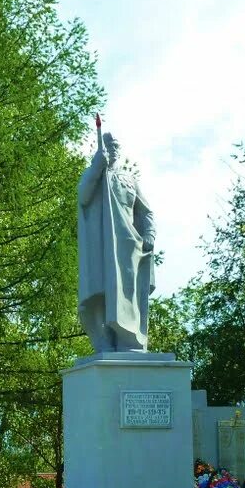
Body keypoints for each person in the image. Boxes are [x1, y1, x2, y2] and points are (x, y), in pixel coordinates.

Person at [77, 128, 155, 352]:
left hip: (127, 245)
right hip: (101, 245)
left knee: (127, 291)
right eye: (108, 146)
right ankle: (103, 340)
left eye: (115, 146)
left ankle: (128, 340)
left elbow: (145, 212)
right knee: (101, 291)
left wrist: (149, 233)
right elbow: (83, 197)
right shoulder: (93, 175)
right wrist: (96, 168)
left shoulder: (130, 179)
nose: (112, 150)